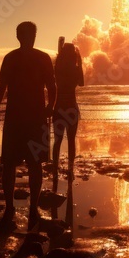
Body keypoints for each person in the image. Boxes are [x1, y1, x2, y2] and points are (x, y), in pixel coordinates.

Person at [0, 21, 56, 230]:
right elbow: (52, 87)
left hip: (16, 117)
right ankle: (32, 208)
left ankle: (12, 207)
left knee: (10, 163)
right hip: (35, 117)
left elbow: (2, 87)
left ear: (18, 36)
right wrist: (50, 107)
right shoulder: (42, 57)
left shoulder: (11, 57)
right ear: (34, 36)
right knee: (34, 163)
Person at [51, 39, 84, 183]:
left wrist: (60, 49)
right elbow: (82, 83)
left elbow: (58, 63)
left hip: (58, 108)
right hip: (71, 108)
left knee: (57, 141)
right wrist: (80, 65)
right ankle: (70, 169)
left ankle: (54, 168)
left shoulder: (58, 69)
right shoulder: (75, 70)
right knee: (71, 141)